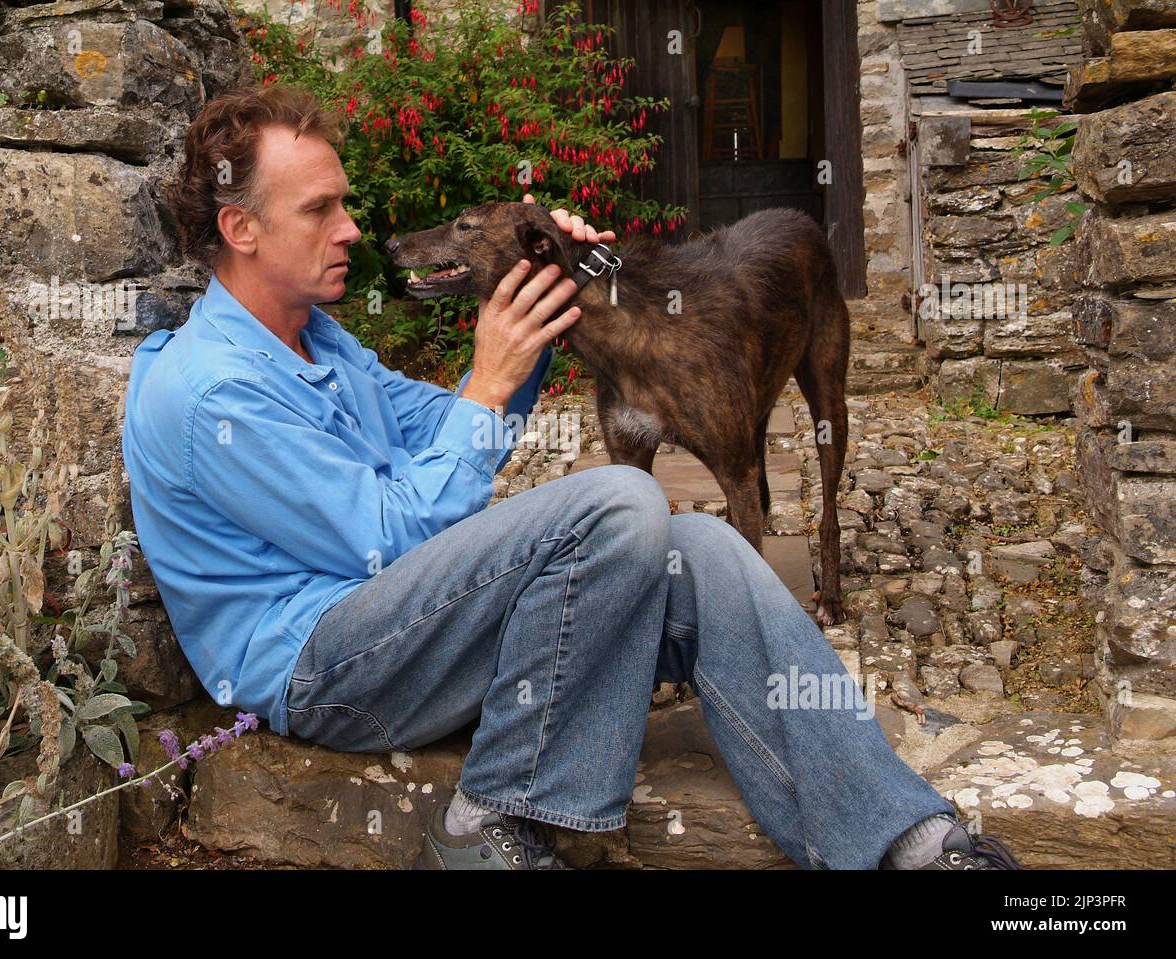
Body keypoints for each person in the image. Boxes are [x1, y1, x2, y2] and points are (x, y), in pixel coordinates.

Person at [122, 84, 1021, 871]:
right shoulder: (211, 392)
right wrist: (484, 381)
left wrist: (543, 314)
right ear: (240, 228)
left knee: (698, 545)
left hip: (408, 627)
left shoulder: (312, 337)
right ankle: (490, 819)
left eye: (342, 204)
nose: (351, 227)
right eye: (320, 209)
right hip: (325, 666)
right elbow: (387, 541)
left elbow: (441, 426)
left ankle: (911, 841)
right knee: (621, 499)